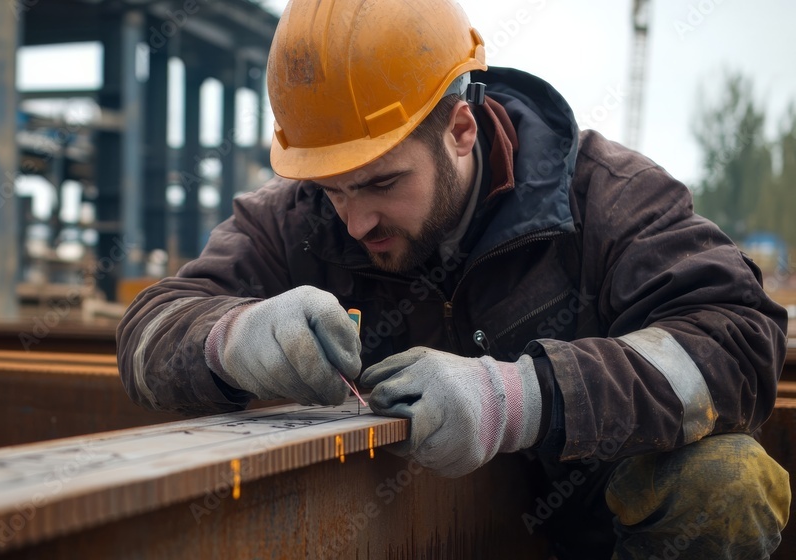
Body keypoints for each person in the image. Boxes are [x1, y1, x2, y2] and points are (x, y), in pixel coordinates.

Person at [117, 0, 790, 557]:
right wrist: (233, 338)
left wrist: (525, 396)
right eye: (333, 189)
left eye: (382, 182)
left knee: (725, 481)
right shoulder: (292, 218)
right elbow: (147, 333)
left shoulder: (610, 200)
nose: (354, 221)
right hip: (401, 537)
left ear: (461, 129)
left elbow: (740, 340)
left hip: (594, 535)